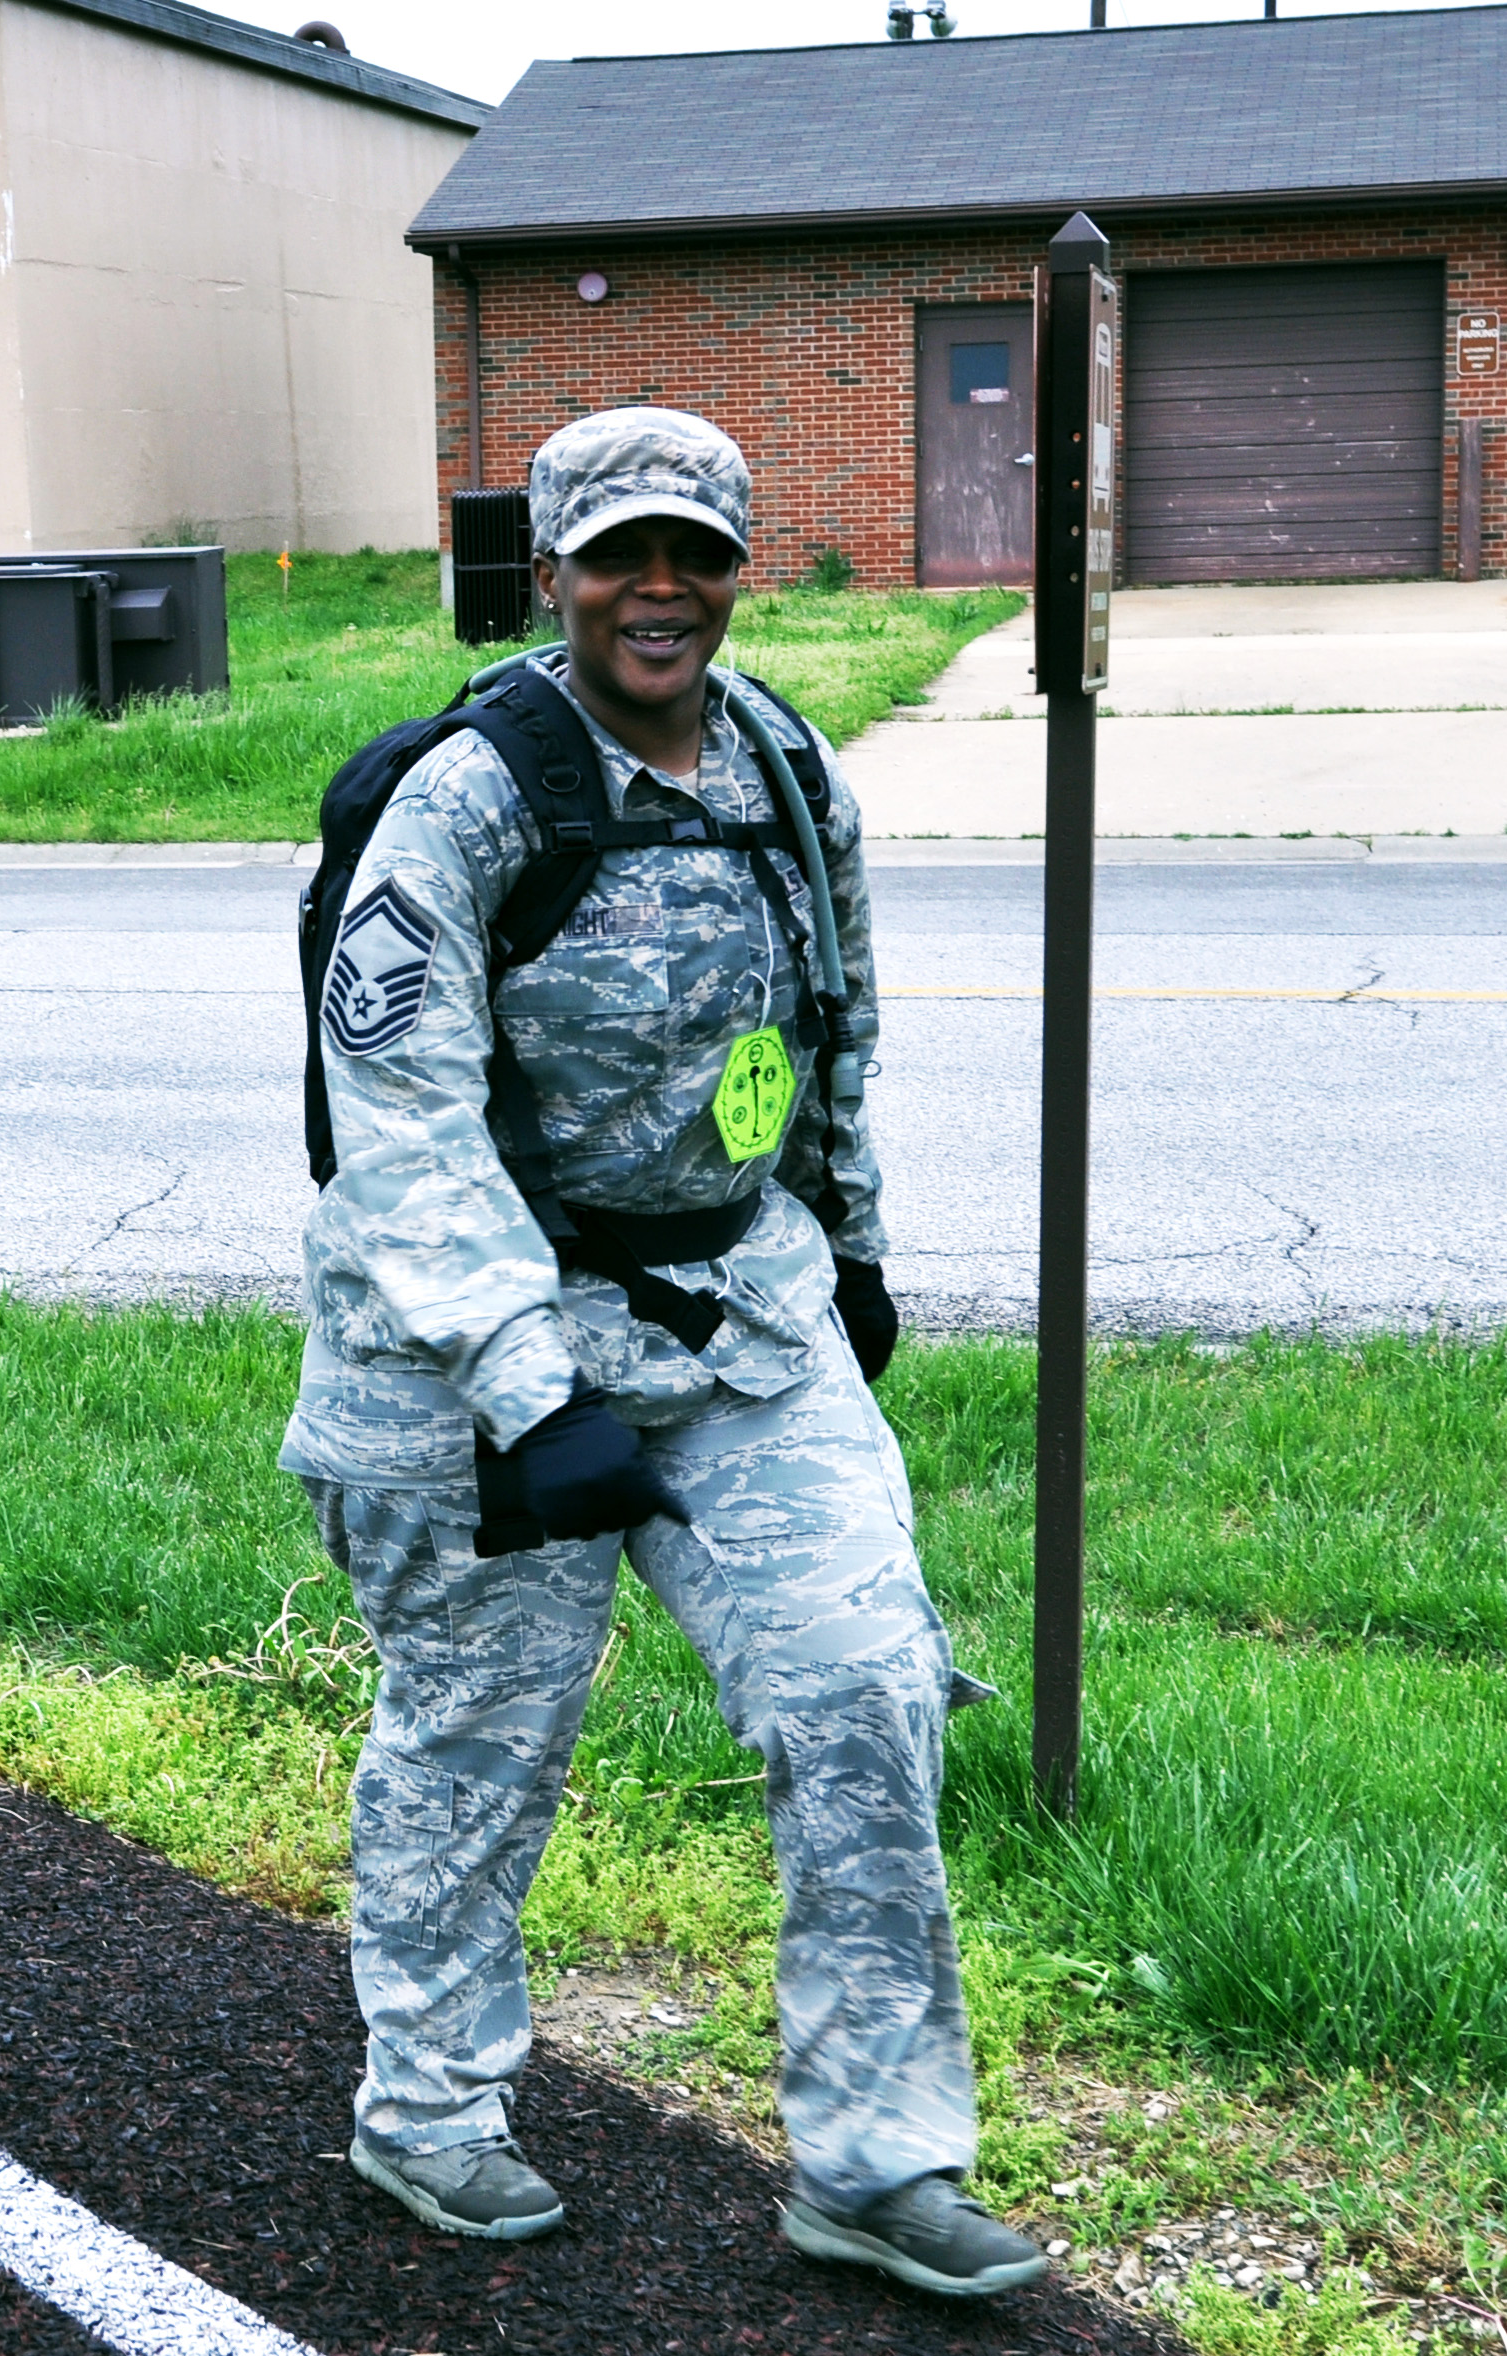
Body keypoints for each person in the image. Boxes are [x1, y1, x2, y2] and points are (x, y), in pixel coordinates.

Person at [282, 408, 1044, 2297]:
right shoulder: (464, 799)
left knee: (865, 1697)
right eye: (621, 554)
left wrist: (853, 1248)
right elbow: (399, 1117)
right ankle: (431, 2113)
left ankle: (875, 2165)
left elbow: (838, 1023)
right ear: (551, 572)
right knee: (479, 1744)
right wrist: (528, 1393)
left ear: (737, 566)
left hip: (739, 1315)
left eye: (696, 553)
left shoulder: (788, 764)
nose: (662, 590)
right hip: (478, 1353)